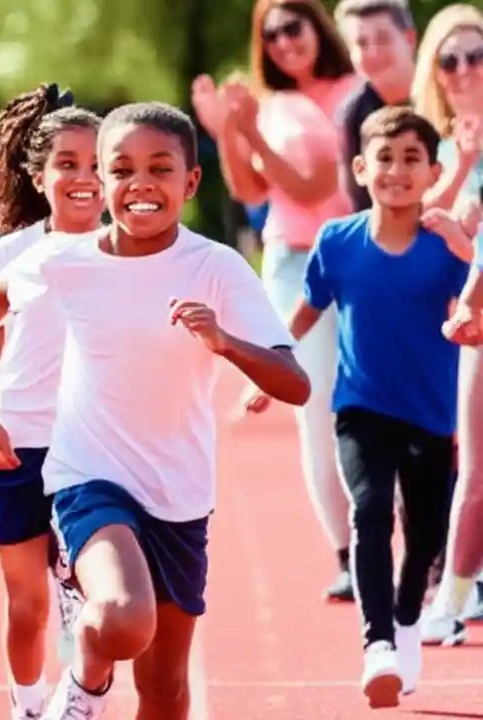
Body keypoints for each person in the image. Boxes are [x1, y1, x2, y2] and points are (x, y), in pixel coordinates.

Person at [0, 101, 310, 720]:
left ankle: (94, 662)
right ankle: (87, 675)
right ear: (106, 180)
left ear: (190, 182)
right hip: (88, 478)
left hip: (179, 493)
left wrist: (227, 344)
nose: (140, 184)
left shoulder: (216, 268)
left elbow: (296, 383)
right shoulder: (67, 260)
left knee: (166, 691)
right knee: (121, 619)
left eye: (160, 169)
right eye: (121, 170)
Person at [249, 106, 471, 706]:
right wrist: (270, 363)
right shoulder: (337, 242)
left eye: (411, 160)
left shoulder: (446, 247)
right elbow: (307, 308)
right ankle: (376, 644)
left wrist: (467, 254)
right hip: (360, 406)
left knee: (425, 535)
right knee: (370, 509)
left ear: (431, 172)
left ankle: (404, 622)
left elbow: (476, 296)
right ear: (360, 167)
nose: (397, 171)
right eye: (385, 158)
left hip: (431, 412)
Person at [0, 83, 102, 720]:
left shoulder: (128, 249)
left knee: (93, 589)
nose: (86, 179)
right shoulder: (15, 252)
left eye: (99, 165)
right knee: (25, 602)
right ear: (39, 176)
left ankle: (79, 696)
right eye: (68, 164)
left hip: (93, 445)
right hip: (17, 442)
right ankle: (27, 704)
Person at [198, 0, 361, 602]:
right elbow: (250, 190)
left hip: (359, 258)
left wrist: (250, 135)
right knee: (317, 415)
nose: (284, 41)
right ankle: (348, 553)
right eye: (271, 35)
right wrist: (231, 133)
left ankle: (421, 550)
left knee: (383, 410)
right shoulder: (272, 106)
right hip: (293, 263)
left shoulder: (355, 91)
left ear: (318, 28)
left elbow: (317, 182)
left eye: (294, 27)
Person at [410, 2, 483, 645]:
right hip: (465, 324)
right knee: (472, 470)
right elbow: (417, 225)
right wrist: (460, 164)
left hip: (470, 309)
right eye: (449, 59)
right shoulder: (432, 144)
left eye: (475, 55)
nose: (463, 69)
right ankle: (450, 602)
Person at [333, 0, 419, 211]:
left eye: (383, 39)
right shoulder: (352, 115)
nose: (373, 52)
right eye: (361, 43)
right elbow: (360, 201)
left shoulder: (442, 90)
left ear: (409, 38)